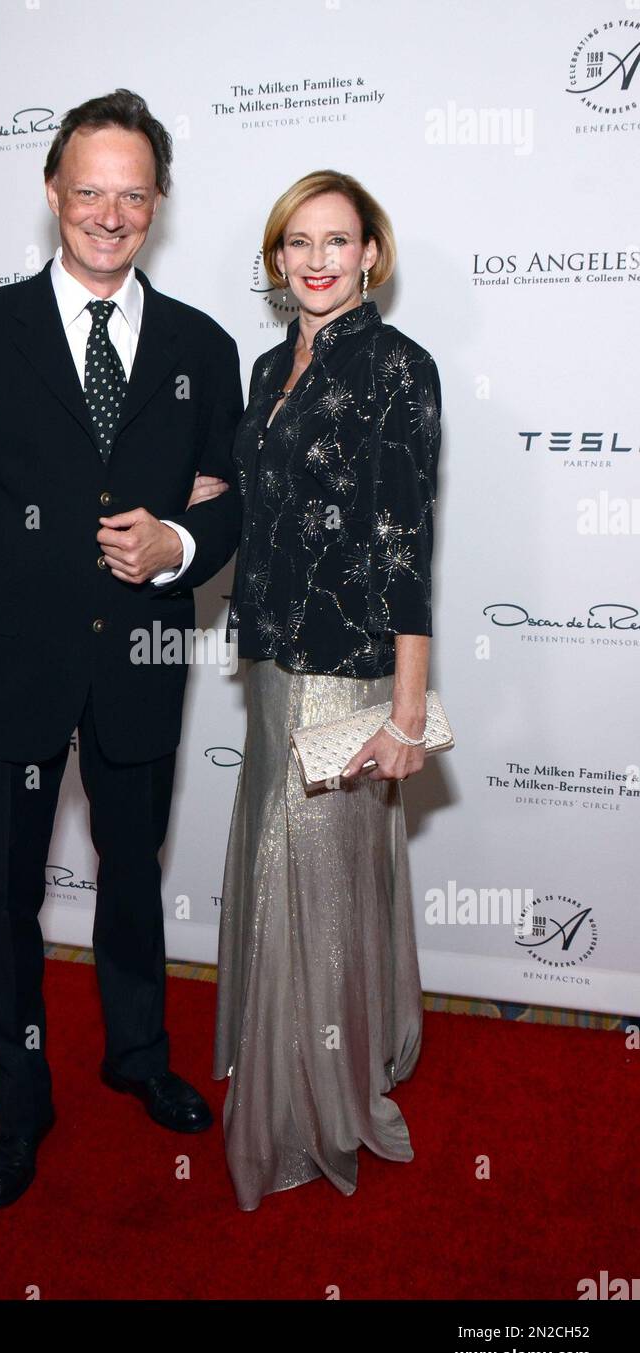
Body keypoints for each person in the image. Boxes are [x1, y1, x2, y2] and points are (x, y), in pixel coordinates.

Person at [0, 89, 243, 1208]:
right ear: (52, 190)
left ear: (158, 204)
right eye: (87, 189)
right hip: (4, 666)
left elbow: (235, 504)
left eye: (131, 193)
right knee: (3, 897)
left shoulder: (202, 344)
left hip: (139, 660)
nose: (108, 212)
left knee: (130, 878)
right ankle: (21, 1104)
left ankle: (137, 1056)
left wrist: (178, 538)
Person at [208, 169, 442, 1212]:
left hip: (344, 669)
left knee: (314, 880)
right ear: (275, 256)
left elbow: (403, 545)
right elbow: (243, 501)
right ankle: (306, 1055)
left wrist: (404, 713)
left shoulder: (399, 368)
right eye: (295, 241)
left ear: (368, 254)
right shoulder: (268, 367)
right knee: (297, 873)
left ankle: (310, 1105)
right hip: (267, 659)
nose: (314, 259)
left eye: (334, 241)